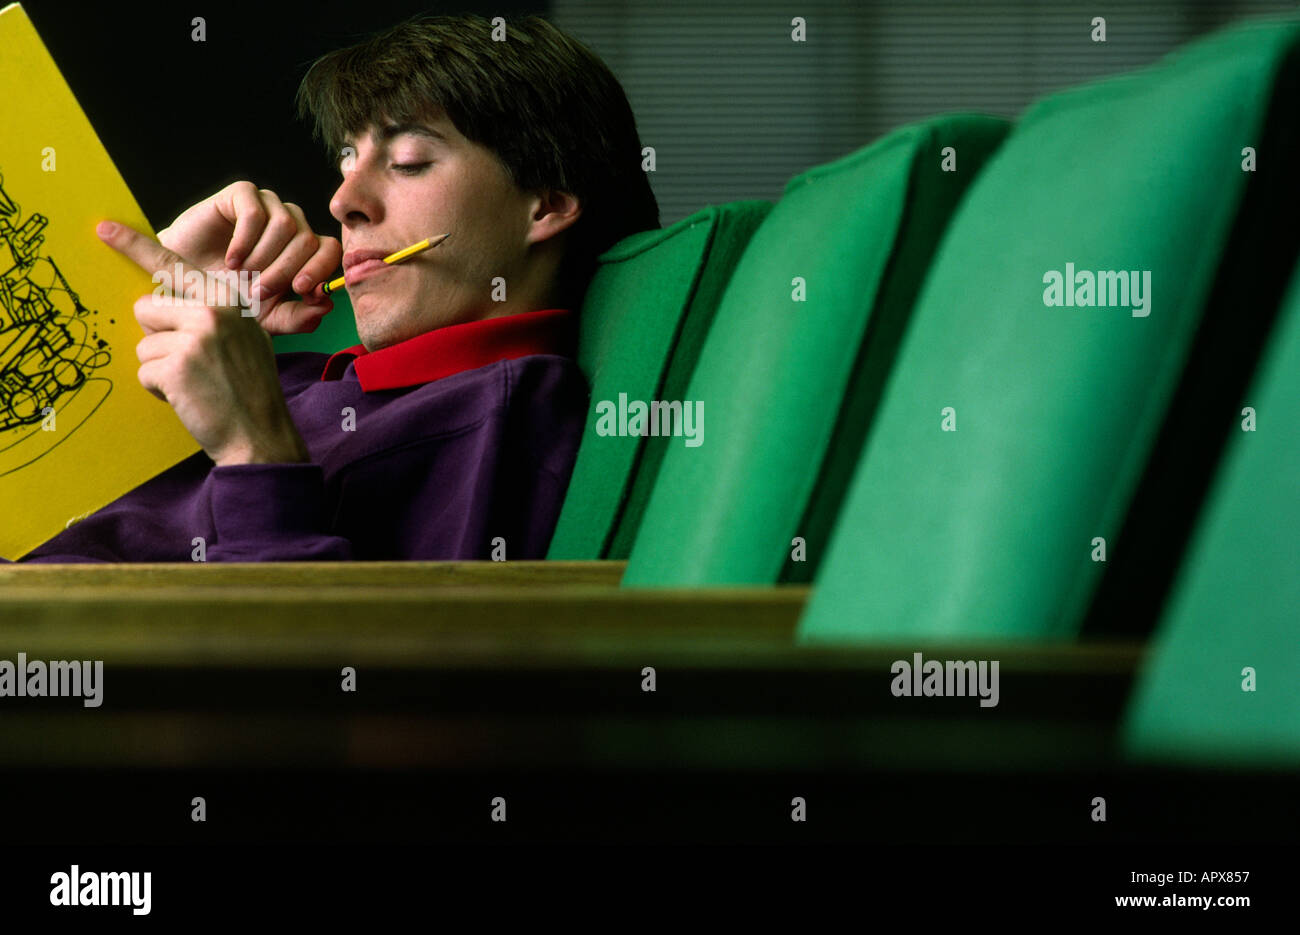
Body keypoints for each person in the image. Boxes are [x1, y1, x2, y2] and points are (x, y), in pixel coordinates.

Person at [20, 13, 659, 562]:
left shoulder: (504, 423)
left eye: (408, 162)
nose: (343, 200)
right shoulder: (313, 378)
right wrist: (133, 304)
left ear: (544, 205)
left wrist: (255, 448)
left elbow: (351, 686)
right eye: (347, 161)